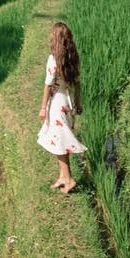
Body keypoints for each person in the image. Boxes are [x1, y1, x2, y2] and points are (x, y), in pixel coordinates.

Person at [37, 21, 85, 193]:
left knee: (59, 141)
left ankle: (69, 179)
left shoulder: (53, 60)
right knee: (60, 139)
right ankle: (63, 176)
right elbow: (77, 83)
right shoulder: (73, 58)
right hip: (68, 103)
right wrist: (78, 102)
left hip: (57, 104)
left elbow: (48, 85)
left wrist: (43, 107)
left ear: (55, 40)